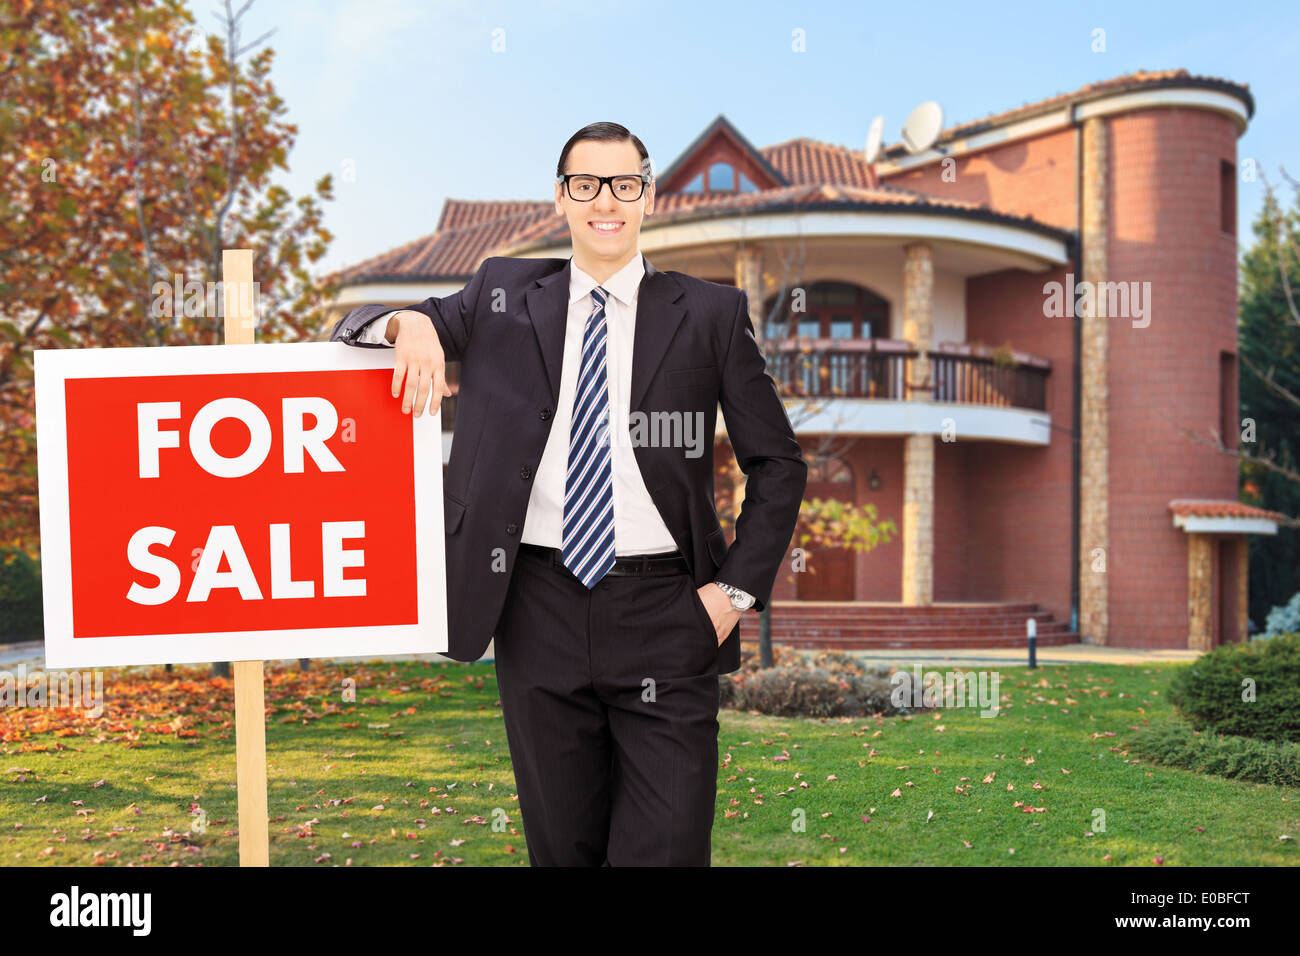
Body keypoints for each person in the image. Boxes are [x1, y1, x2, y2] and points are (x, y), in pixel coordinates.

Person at [331, 121, 807, 865]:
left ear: (648, 196)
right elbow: (350, 325)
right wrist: (408, 323)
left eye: (623, 184)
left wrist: (734, 595)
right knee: (563, 850)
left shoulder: (709, 315)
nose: (604, 202)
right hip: (537, 609)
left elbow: (778, 464)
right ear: (561, 197)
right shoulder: (502, 293)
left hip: (670, 614)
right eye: (586, 184)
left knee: (669, 847)